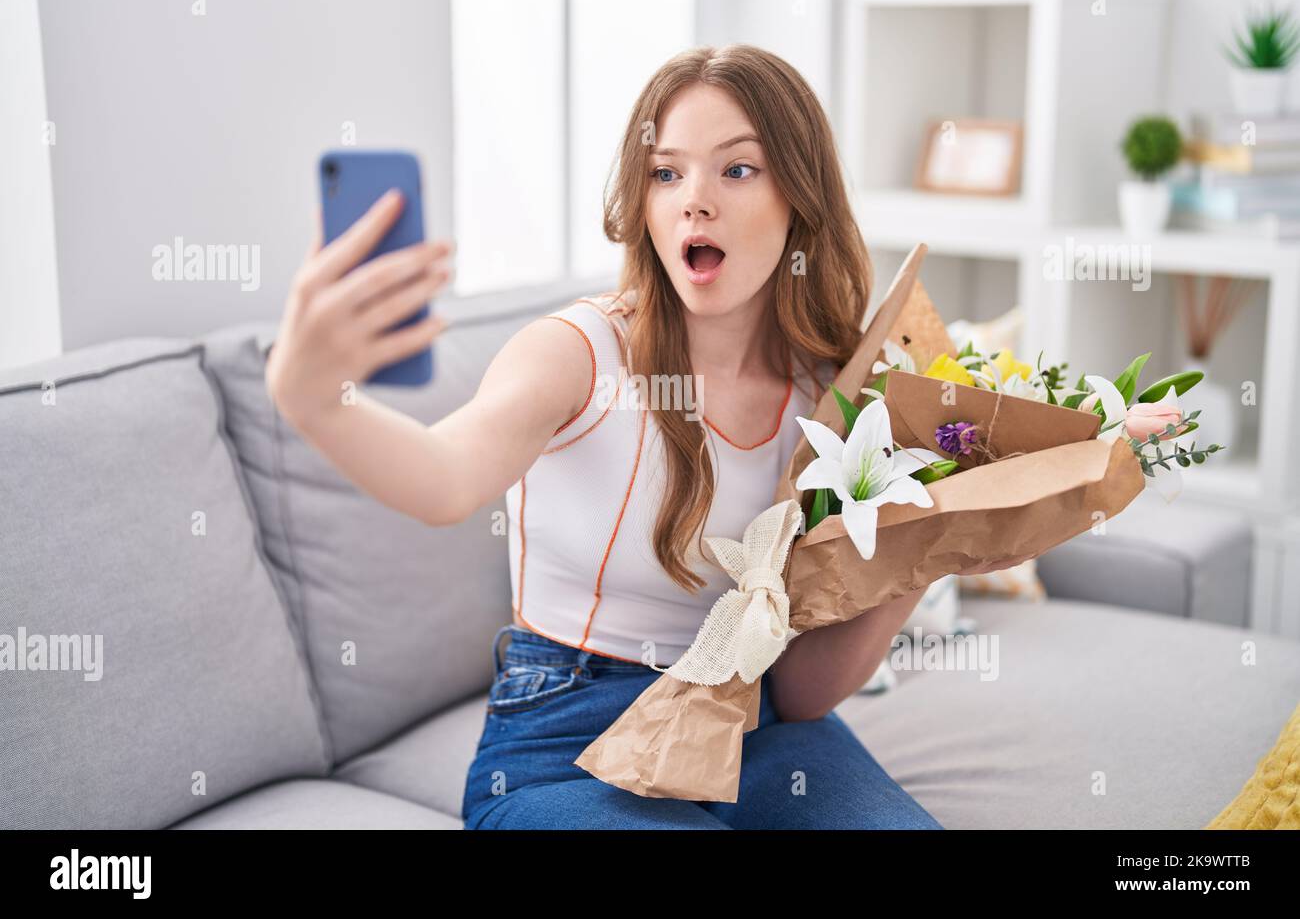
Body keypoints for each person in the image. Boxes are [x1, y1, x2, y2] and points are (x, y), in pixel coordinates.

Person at [267, 44, 1016, 830]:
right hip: (566, 742)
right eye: (667, 173)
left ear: (799, 195)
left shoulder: (834, 392)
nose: (694, 200)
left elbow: (801, 691)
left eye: (737, 170)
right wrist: (315, 397)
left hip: (751, 731)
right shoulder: (575, 353)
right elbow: (445, 478)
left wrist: (929, 548)